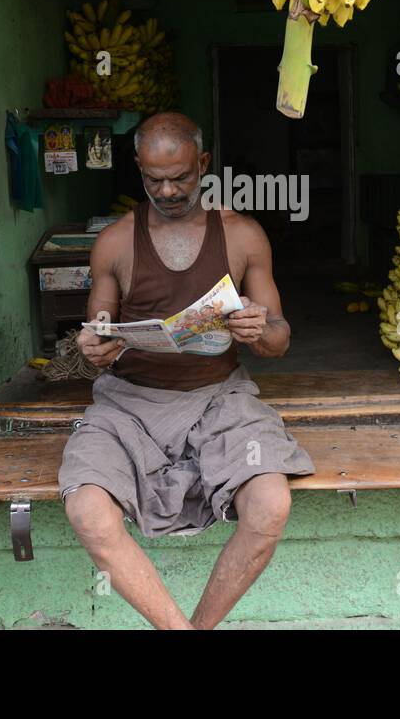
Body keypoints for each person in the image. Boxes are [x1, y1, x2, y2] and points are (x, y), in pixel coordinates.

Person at [61, 112, 314, 630]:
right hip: (127, 405)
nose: (169, 190)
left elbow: (280, 339)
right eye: (154, 179)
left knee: (269, 503)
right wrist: (94, 346)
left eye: (181, 177)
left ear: (203, 163)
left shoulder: (243, 236)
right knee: (86, 510)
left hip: (220, 398)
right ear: (137, 168)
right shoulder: (114, 242)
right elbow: (98, 325)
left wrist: (257, 329)